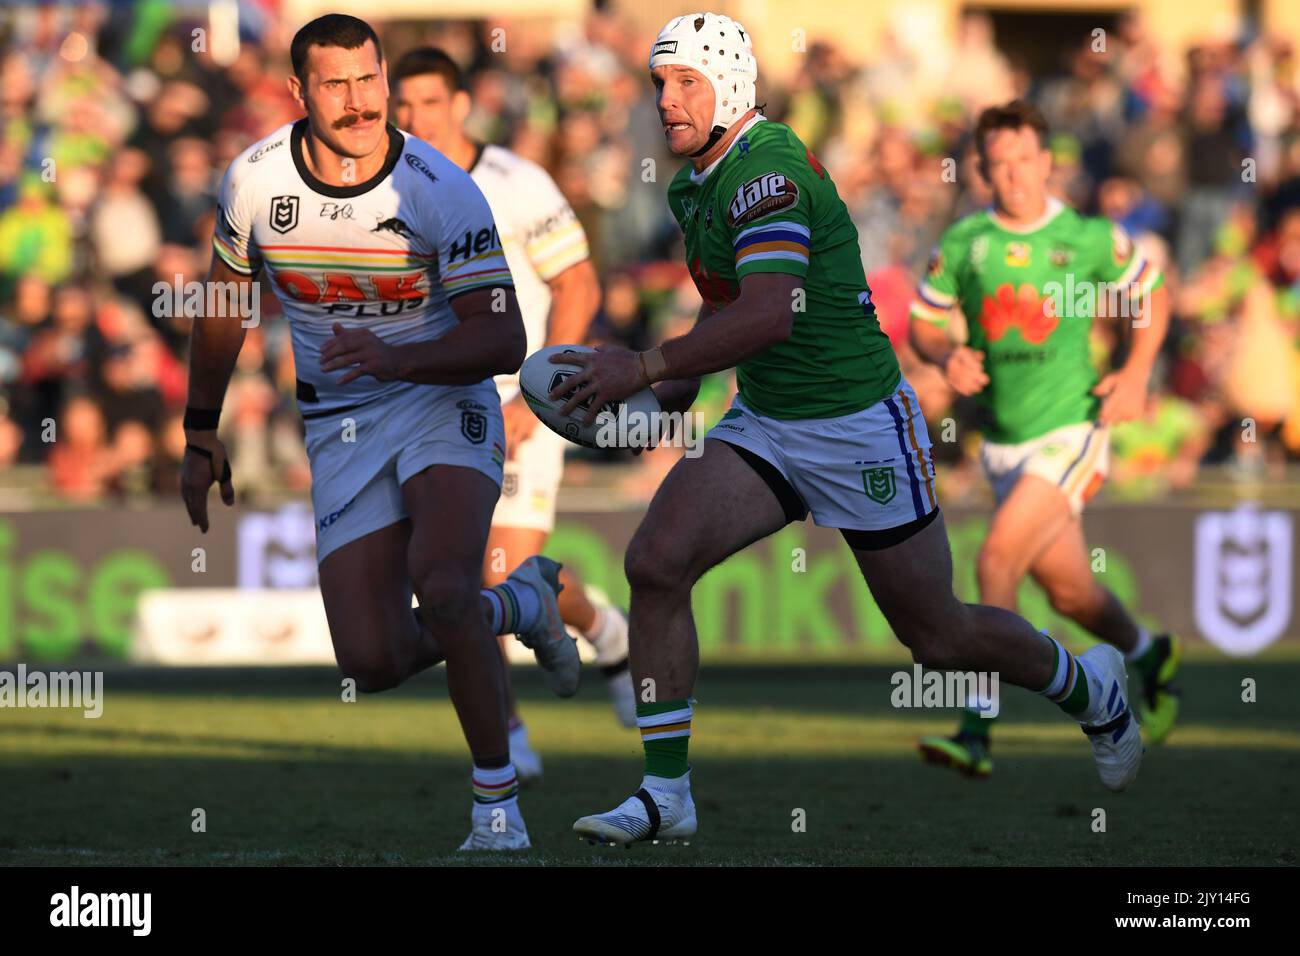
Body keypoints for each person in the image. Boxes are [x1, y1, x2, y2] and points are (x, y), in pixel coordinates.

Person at [558, 13, 1144, 848]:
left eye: (686, 80)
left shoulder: (771, 168)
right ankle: (666, 793)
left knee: (939, 639)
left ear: (730, 85)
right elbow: (726, 318)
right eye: (659, 82)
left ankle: (1093, 690)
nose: (667, 98)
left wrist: (642, 366)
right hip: (766, 419)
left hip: (856, 421)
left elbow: (768, 314)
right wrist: (657, 395)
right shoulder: (694, 183)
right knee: (656, 561)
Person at [180, 14, 578, 852]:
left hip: (445, 403)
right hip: (341, 428)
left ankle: (496, 806)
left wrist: (399, 360)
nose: (360, 103)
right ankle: (521, 602)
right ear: (298, 92)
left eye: (370, 80)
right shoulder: (253, 180)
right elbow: (224, 307)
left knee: (440, 584)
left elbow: (504, 341)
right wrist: (198, 430)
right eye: (336, 84)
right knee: (370, 662)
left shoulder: (441, 188)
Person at [909, 100, 1181, 778]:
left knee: (996, 561)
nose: (1014, 175)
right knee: (1070, 595)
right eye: (998, 164)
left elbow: (1154, 294)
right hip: (1003, 443)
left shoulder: (1089, 238)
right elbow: (924, 321)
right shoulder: (967, 243)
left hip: (1072, 430)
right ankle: (1149, 655)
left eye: (1025, 159)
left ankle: (977, 727)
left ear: (1047, 162)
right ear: (981, 171)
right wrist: (945, 356)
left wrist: (1136, 372)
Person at [391, 48, 636, 784]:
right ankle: (513, 724)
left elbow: (579, 281)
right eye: (402, 106)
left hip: (515, 402)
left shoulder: (515, 182)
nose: (413, 119)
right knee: (452, 578)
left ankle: (603, 632)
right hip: (432, 407)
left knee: (502, 567)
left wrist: (543, 389)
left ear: (461, 104)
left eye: (428, 103)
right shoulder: (388, 187)